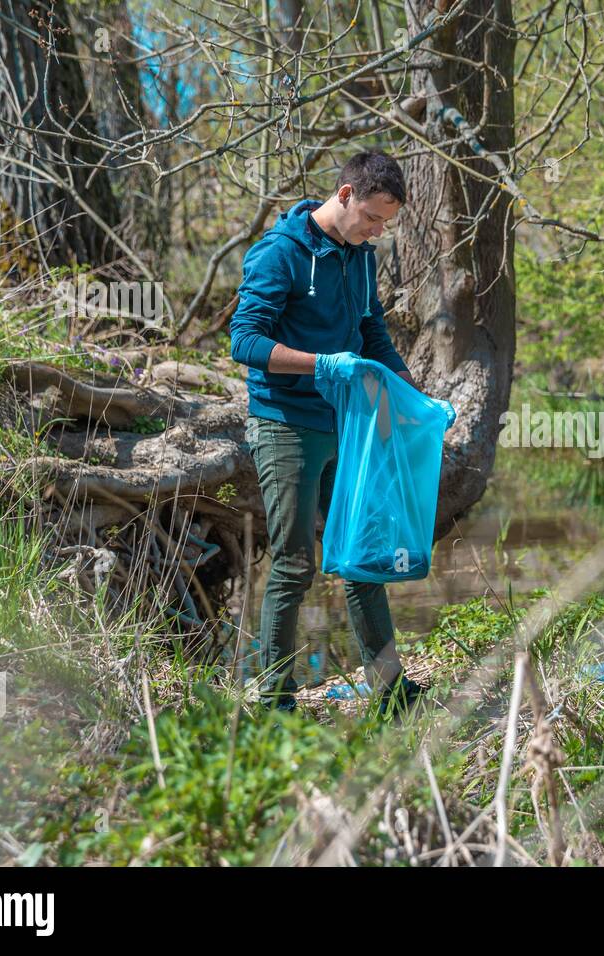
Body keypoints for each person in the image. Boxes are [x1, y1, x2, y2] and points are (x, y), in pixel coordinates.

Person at [230, 149, 425, 717]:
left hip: (349, 424)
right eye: (371, 217)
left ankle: (389, 689)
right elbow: (244, 341)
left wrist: (413, 395)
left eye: (386, 223)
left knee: (364, 555)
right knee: (293, 562)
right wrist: (320, 364)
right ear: (343, 195)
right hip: (286, 424)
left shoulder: (360, 258)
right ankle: (275, 701)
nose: (376, 231)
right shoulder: (279, 254)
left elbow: (372, 330)